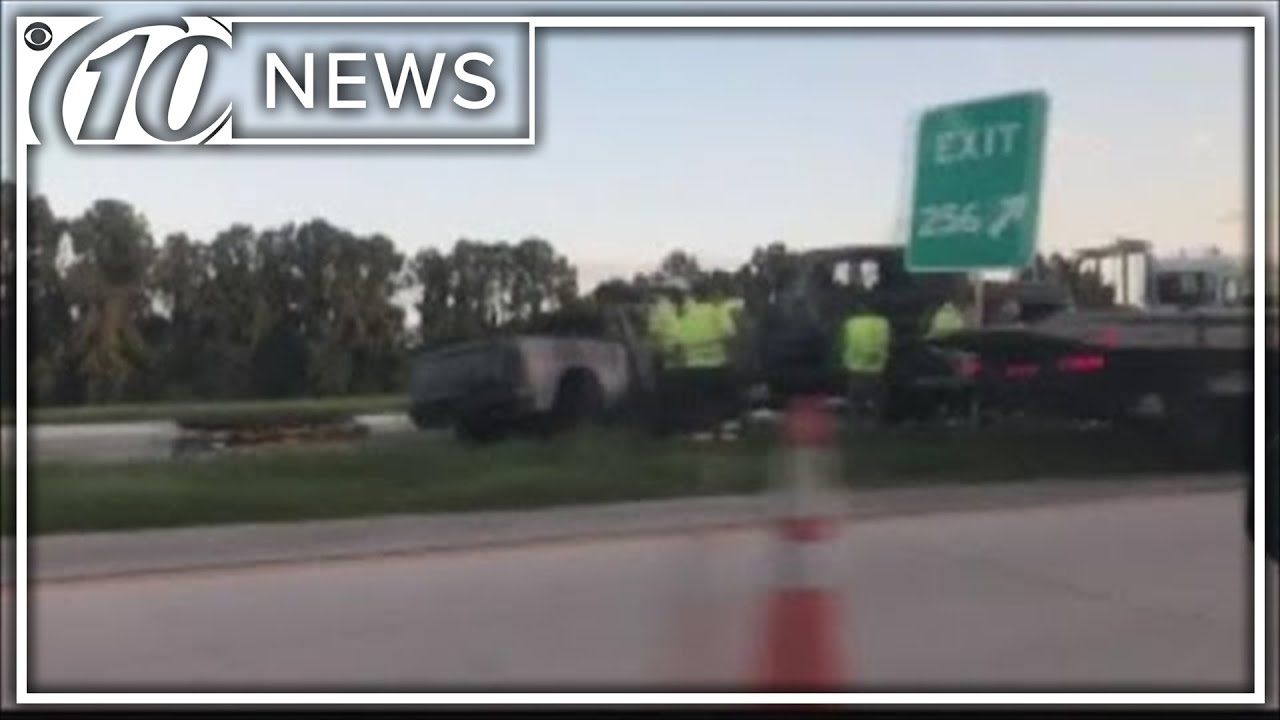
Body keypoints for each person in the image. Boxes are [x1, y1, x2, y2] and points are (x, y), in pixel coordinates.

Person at [840, 299, 892, 429]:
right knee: (878, 402)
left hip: (856, 369)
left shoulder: (851, 323)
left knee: (855, 402)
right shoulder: (883, 323)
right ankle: (877, 424)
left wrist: (846, 363)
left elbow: (846, 343)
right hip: (877, 369)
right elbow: (887, 343)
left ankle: (855, 425)